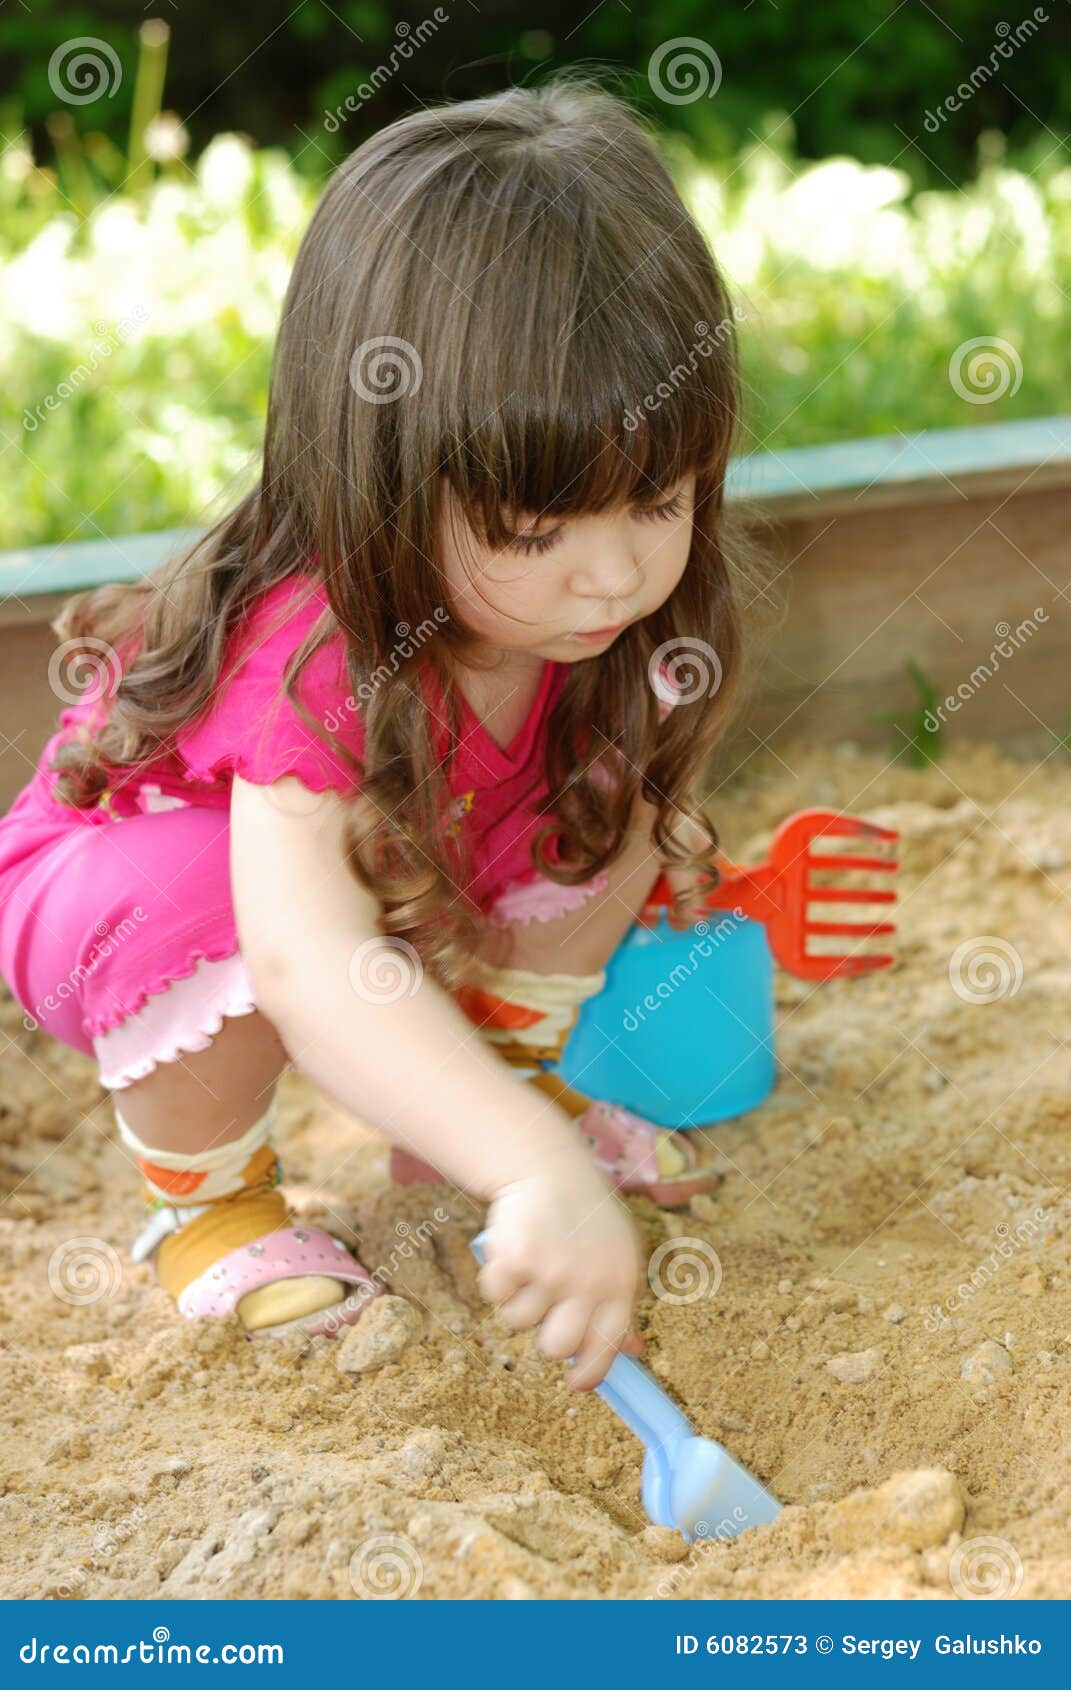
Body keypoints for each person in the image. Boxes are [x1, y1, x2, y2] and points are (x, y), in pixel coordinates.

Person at [0, 76, 762, 1388]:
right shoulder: (312, 651)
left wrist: (512, 1131)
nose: (611, 577)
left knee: (629, 776)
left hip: (414, 865)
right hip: (140, 908)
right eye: (533, 532)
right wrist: (534, 1167)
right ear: (385, 481)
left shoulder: (619, 627)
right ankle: (214, 1201)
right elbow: (308, 965)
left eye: (662, 499)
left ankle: (477, 1103)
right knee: (207, 898)